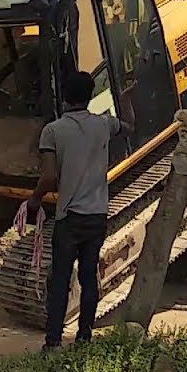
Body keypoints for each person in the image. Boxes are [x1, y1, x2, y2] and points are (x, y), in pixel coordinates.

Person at [26, 71, 132, 351]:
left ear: (64, 96)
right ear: (90, 96)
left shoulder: (53, 130)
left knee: (60, 280)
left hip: (69, 217)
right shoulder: (104, 125)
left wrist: (34, 201)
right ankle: (84, 338)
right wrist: (125, 92)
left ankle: (53, 342)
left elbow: (48, 177)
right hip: (97, 216)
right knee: (88, 278)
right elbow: (128, 126)